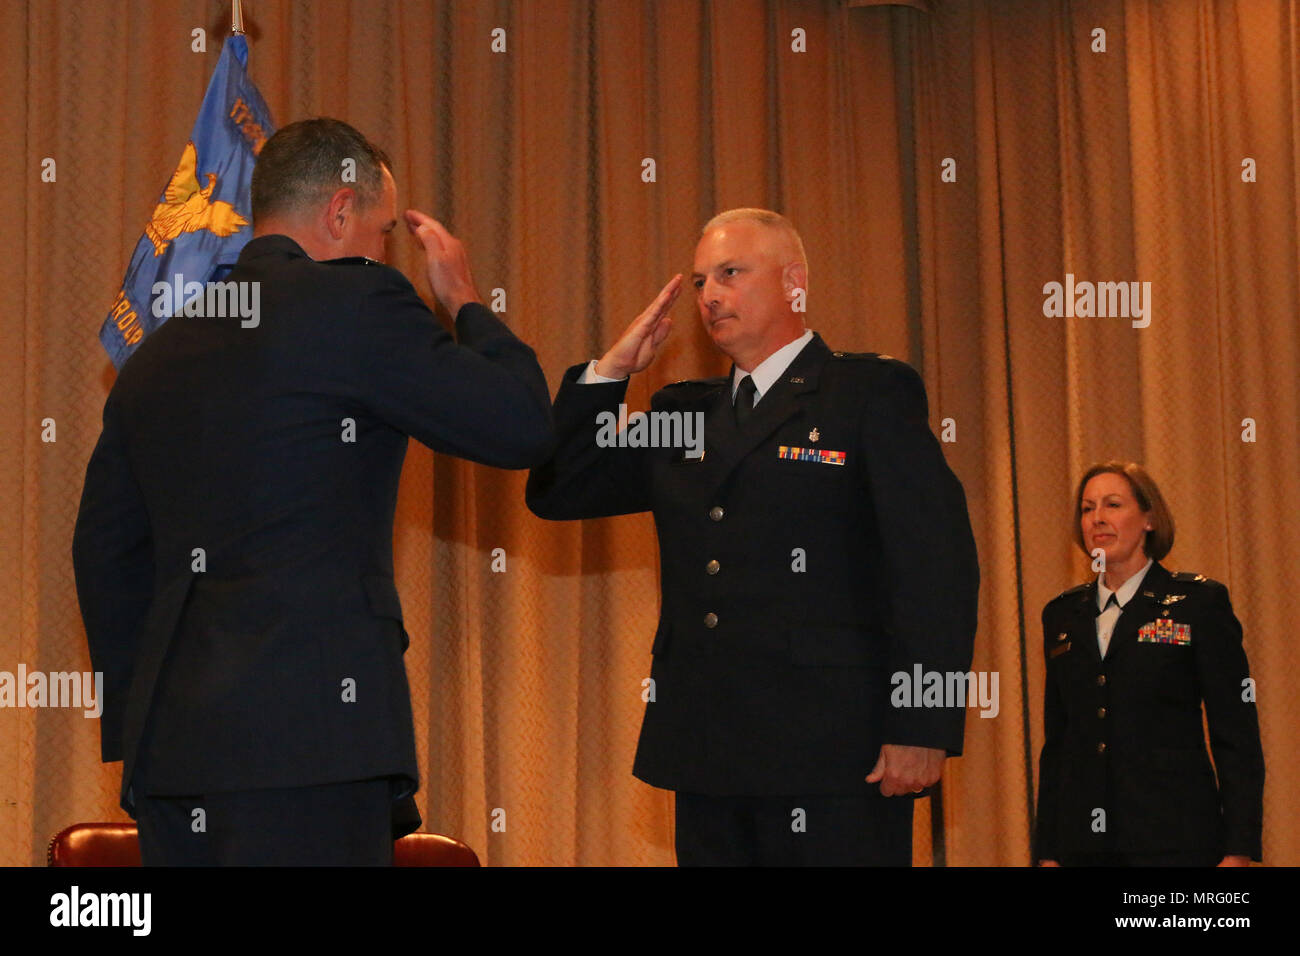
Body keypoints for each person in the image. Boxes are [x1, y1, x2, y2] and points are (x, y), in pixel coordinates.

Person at [72, 118, 554, 865]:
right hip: (314, 744)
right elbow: (522, 426)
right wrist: (464, 302)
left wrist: (139, 722)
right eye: (384, 228)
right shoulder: (357, 305)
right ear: (338, 212)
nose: (386, 248)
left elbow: (103, 552)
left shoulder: (157, 353)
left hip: (173, 753)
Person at [526, 208, 979, 865]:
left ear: (794, 282)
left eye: (731, 274)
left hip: (834, 749)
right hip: (708, 747)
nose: (710, 296)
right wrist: (610, 373)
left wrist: (921, 725)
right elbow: (560, 490)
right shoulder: (685, 414)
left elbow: (936, 568)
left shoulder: (865, 394)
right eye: (701, 280)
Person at [1035, 461, 1264, 866]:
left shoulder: (1198, 604)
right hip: (1082, 845)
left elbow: (1237, 737)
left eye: (1113, 505)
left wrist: (1239, 849)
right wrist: (1047, 852)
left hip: (1175, 840)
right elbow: (1058, 744)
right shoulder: (1063, 614)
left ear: (1149, 518)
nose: (1098, 519)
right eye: (1088, 509)